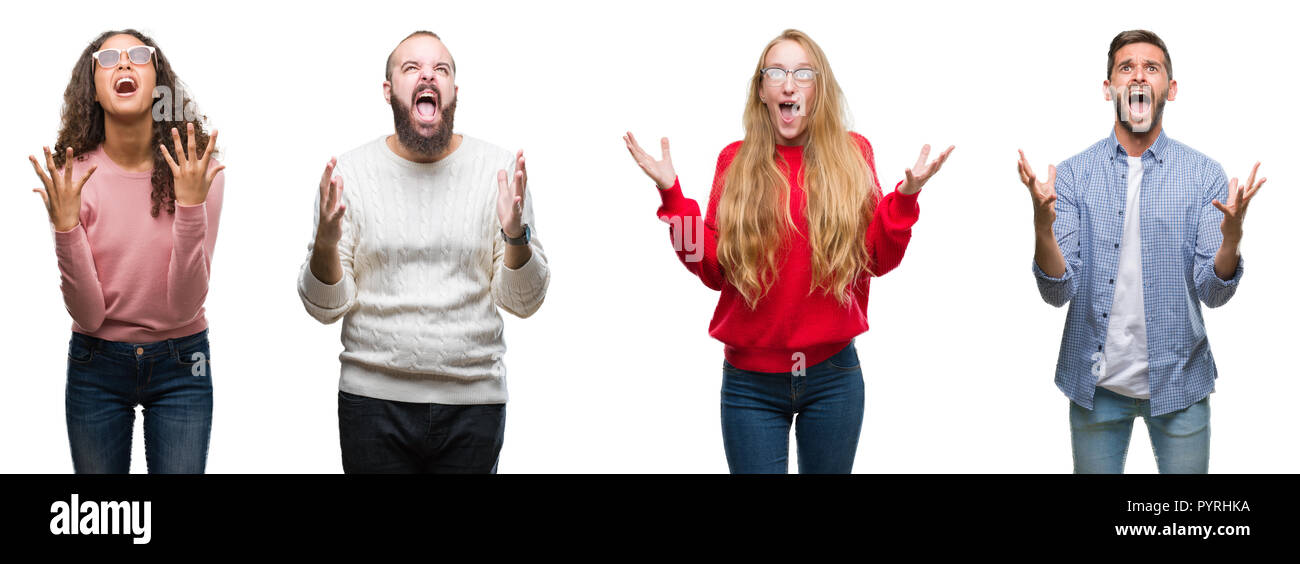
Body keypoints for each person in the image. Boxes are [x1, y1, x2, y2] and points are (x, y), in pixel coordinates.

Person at [624, 29, 952, 474]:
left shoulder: (854, 155)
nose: (788, 83)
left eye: (802, 72)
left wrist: (906, 198)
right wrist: (672, 196)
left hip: (833, 379)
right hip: (750, 387)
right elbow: (714, 271)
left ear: (819, 89)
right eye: (776, 72)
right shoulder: (734, 162)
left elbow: (878, 260)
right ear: (762, 90)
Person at [298, 31, 550, 474]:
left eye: (441, 69)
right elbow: (323, 307)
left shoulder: (501, 172)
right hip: (372, 404)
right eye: (411, 68)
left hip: (474, 403)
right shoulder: (350, 174)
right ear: (389, 90)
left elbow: (524, 301)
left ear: (454, 91)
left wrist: (515, 236)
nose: (428, 75)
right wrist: (325, 243)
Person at [1018, 30, 1265, 474]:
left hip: (1181, 384)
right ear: (1109, 87)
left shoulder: (1203, 175)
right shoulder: (1074, 175)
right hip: (1096, 386)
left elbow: (1214, 292)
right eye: (1126, 67)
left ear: (1169, 89)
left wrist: (1231, 239)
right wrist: (1042, 229)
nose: (1138, 76)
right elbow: (1058, 292)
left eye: (1151, 68)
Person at [30, 29, 225, 474]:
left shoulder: (200, 171)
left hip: (184, 362)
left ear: (158, 81)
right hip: (95, 363)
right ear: (93, 89)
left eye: (138, 55)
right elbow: (90, 314)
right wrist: (66, 228)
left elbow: (184, 306)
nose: (123, 63)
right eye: (109, 58)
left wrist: (191, 204)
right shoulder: (74, 177)